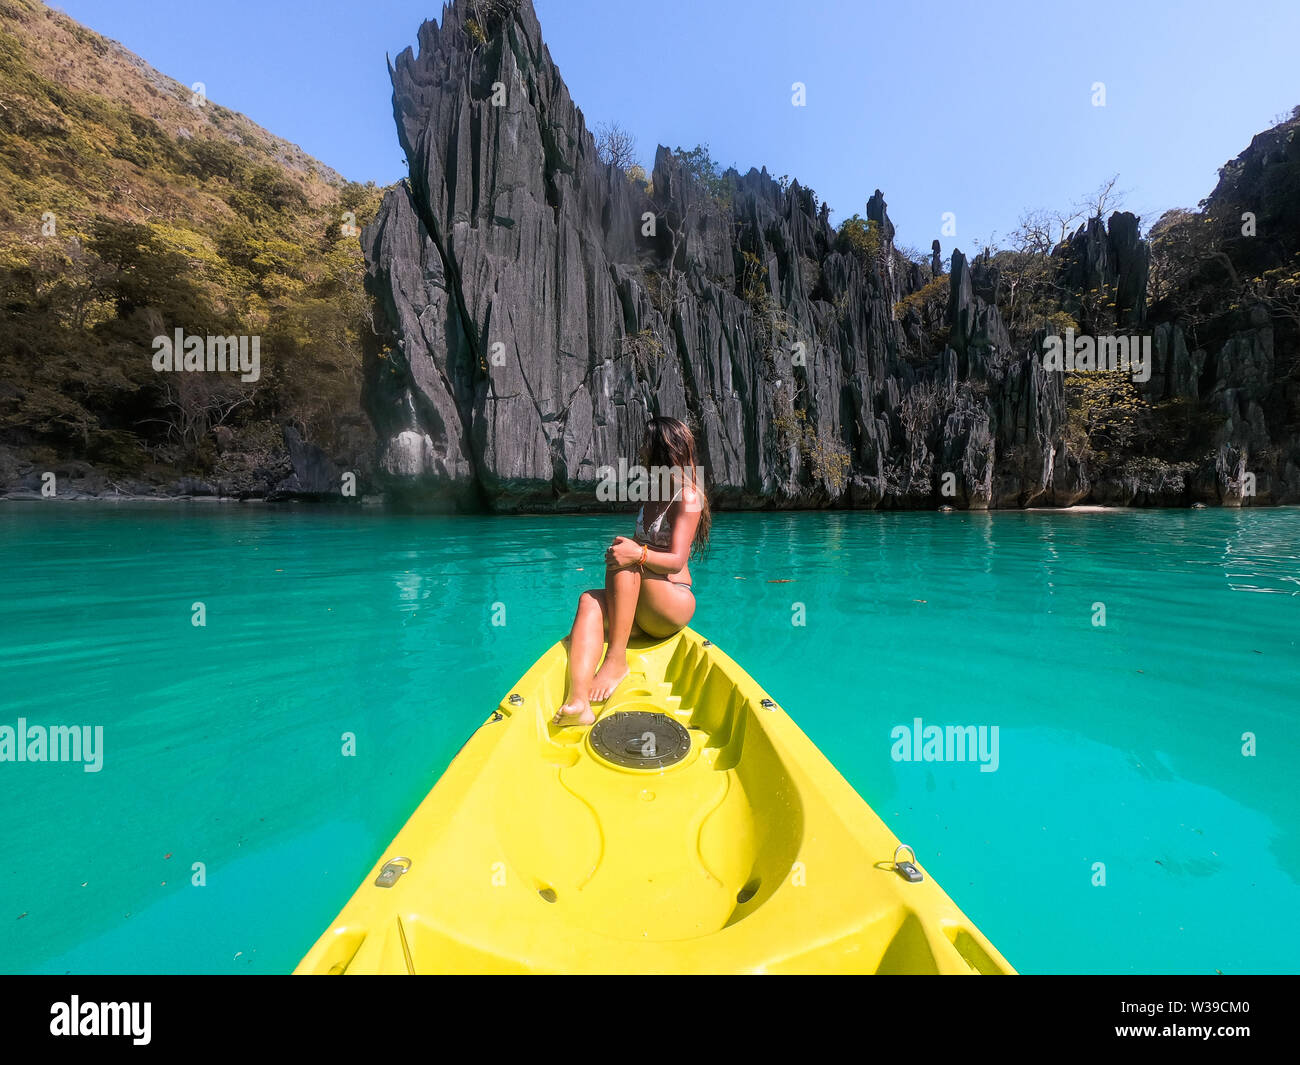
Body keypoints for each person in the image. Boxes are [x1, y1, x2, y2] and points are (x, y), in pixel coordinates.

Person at [552, 416, 710, 725]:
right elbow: (638, 553)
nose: (639, 450)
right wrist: (629, 550)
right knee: (589, 601)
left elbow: (677, 560)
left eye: (644, 444)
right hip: (643, 606)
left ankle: (615, 659)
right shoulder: (654, 492)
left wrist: (635, 553)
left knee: (627, 561)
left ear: (662, 450)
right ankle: (578, 702)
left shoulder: (688, 497)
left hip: (671, 604)